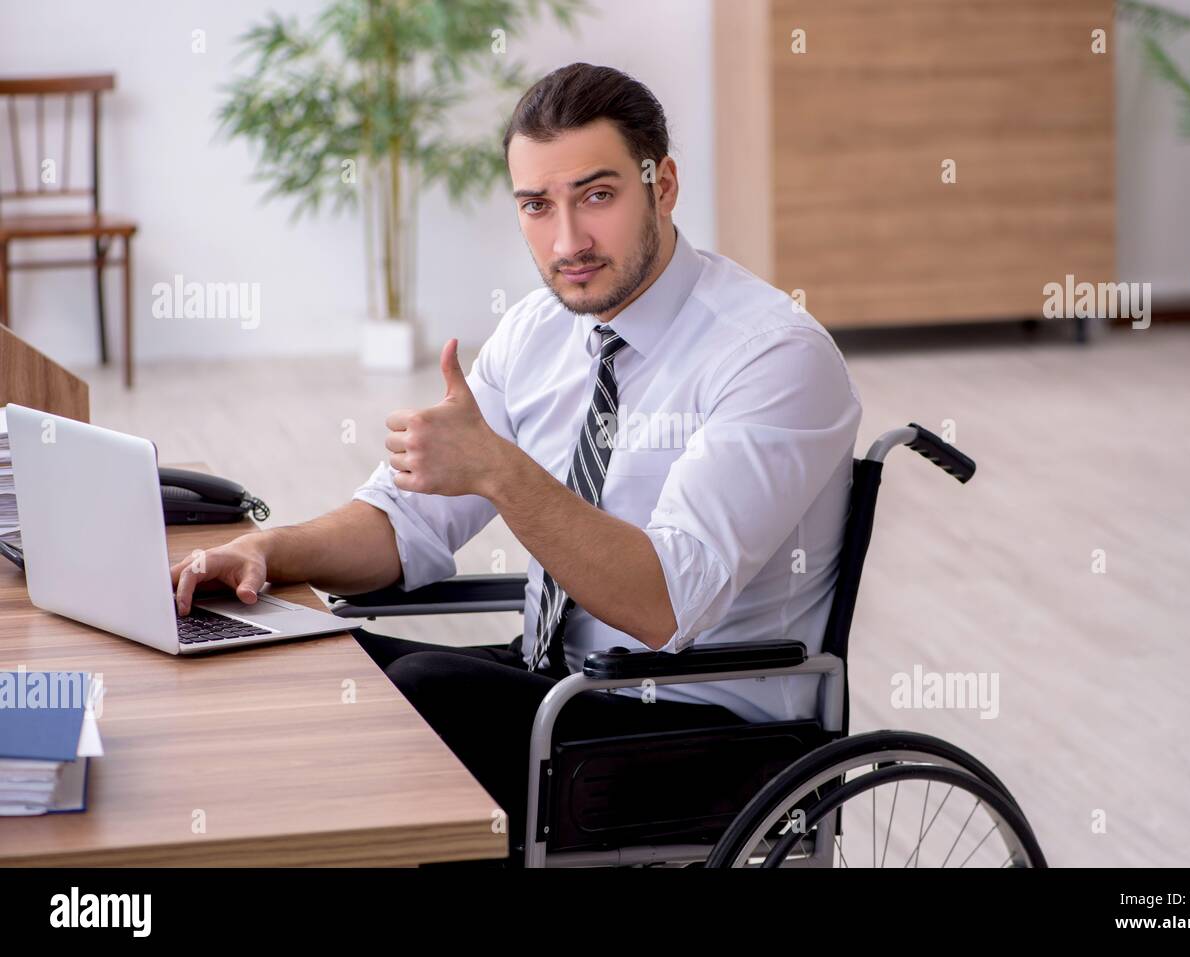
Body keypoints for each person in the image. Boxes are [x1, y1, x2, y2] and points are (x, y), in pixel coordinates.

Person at [171, 62, 862, 864]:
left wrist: (498, 468)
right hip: (564, 689)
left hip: (708, 734)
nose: (566, 240)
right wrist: (266, 549)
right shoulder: (539, 331)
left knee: (426, 693)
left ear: (663, 186)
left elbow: (666, 603)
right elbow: (403, 525)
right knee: (315, 660)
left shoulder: (773, 357)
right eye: (537, 206)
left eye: (596, 196)